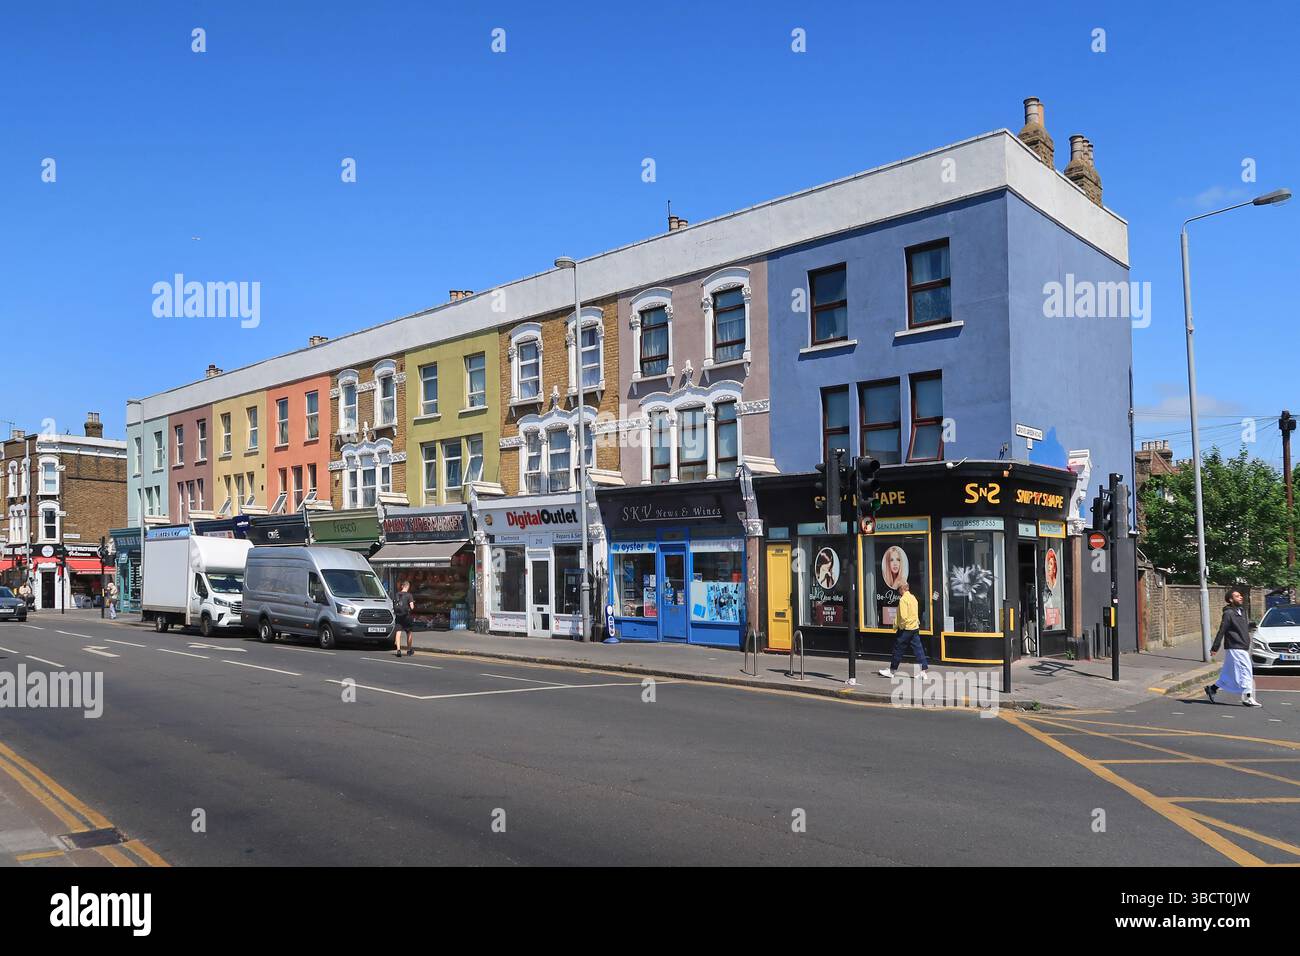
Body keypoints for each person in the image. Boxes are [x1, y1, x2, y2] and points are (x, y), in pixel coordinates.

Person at [1206, 587, 1261, 707]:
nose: (1241, 597)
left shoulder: (1241, 611)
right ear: (1230, 600)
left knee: (1228, 672)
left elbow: (1241, 628)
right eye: (1237, 596)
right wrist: (1215, 647)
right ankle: (1247, 697)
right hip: (1235, 646)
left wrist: (1251, 626)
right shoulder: (1228, 613)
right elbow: (1222, 630)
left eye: (1240, 595)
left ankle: (1212, 689)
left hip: (1242, 646)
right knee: (1246, 671)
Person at [879, 581, 932, 681]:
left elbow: (903, 616)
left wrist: (900, 627)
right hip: (915, 627)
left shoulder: (903, 600)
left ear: (902, 589)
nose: (898, 591)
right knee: (918, 649)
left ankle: (892, 671)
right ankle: (923, 672)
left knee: (898, 649)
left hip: (906, 629)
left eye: (899, 589)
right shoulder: (913, 598)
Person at [393, 580, 415, 657]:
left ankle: (398, 650)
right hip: (406, 617)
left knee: (398, 632)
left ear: (402, 586)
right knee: (409, 632)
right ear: (408, 587)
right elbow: (412, 607)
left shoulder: (396, 594)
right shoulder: (409, 595)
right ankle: (409, 650)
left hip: (398, 616)